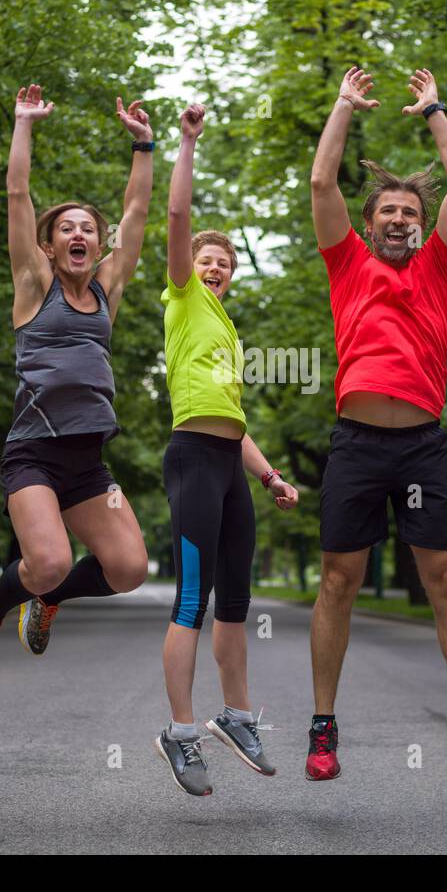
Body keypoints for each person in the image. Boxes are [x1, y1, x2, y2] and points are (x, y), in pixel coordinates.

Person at [307, 65, 447, 780]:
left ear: (422, 225)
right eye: (387, 212)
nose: (398, 220)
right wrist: (343, 107)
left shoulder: (441, 266)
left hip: (420, 445)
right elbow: (323, 184)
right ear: (369, 224)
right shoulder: (346, 263)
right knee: (337, 581)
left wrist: (435, 110)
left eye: (408, 214)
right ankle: (323, 725)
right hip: (357, 444)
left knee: (446, 578)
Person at [0, 86, 150, 669]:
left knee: (129, 569)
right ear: (48, 244)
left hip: (88, 462)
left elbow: (137, 214)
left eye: (88, 228)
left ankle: (48, 602)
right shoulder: (33, 287)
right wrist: (23, 123)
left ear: (98, 244)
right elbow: (17, 193)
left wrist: (145, 146)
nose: (79, 235)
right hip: (34, 455)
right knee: (48, 562)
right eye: (66, 227)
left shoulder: (105, 291)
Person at [153, 103, 299, 796]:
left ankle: (236, 716)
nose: (213, 266)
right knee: (192, 598)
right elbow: (179, 218)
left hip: (229, 466)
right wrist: (186, 143)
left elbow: (232, 420)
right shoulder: (182, 296)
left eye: (224, 262)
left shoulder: (227, 328)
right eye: (206, 259)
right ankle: (179, 732)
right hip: (189, 461)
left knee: (235, 599)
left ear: (232, 277)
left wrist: (269, 475)